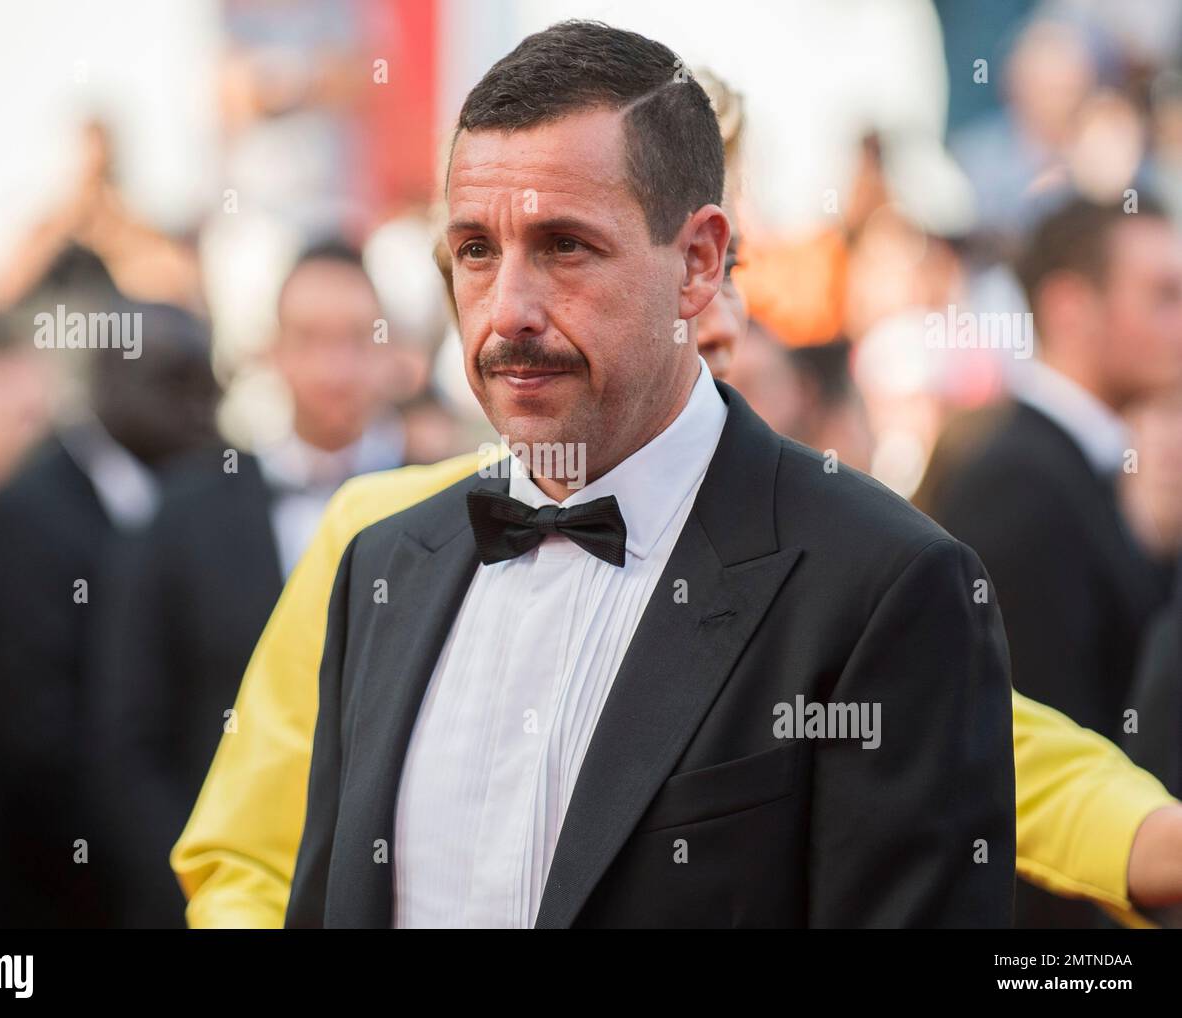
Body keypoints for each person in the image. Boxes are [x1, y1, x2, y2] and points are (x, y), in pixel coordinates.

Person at [276, 21, 1014, 928]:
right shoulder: (383, 566)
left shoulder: (882, 587)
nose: (507, 312)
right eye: (475, 250)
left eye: (565, 247)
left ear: (700, 262)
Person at [93, 240, 403, 927]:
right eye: (310, 340)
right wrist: (203, 891)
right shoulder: (184, 514)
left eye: (357, 339)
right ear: (272, 352)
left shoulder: (458, 509)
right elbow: (127, 735)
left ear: (391, 353)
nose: (335, 366)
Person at [923, 196, 1182, 926]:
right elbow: (1024, 765)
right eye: (1162, 297)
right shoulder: (1020, 482)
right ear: (1072, 307)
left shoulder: (1080, 468)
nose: (1181, 323)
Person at [0, 300, 220, 927]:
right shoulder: (24, 520)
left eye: (209, 385)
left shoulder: (204, 502)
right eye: (176, 383)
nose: (204, 406)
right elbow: (39, 741)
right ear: (108, 383)